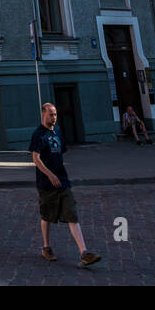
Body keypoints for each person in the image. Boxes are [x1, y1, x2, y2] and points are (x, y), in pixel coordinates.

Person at [30, 102, 101, 267]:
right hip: (46, 184)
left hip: (63, 181)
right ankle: (46, 247)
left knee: (72, 214)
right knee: (47, 216)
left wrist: (59, 173)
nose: (53, 117)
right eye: (50, 115)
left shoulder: (58, 131)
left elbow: (60, 154)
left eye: (55, 114)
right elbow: (36, 159)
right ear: (43, 115)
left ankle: (84, 253)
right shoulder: (38, 134)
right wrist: (50, 174)